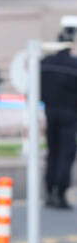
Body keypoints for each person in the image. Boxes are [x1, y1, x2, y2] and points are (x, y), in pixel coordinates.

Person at [41, 21, 77, 209]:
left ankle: (49, 192)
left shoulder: (45, 64)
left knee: (52, 153)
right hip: (70, 115)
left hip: (50, 112)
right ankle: (60, 194)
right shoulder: (74, 65)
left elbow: (36, 88)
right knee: (65, 154)